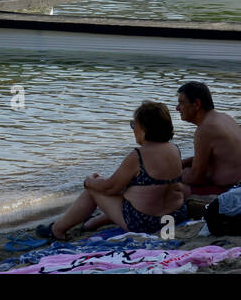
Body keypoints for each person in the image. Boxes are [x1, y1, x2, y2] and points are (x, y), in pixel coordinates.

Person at [40, 101, 187, 240]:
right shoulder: (174, 149)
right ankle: (92, 223)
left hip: (146, 223)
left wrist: (89, 182)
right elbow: (144, 185)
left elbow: (110, 188)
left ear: (144, 129)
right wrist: (103, 182)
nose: (133, 129)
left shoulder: (139, 155)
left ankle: (57, 230)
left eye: (133, 125)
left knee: (93, 190)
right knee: (121, 189)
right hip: (174, 216)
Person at [175, 82, 241, 195]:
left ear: (196, 104)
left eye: (181, 103)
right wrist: (181, 164)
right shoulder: (224, 117)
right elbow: (213, 156)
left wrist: (174, 174)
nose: (177, 108)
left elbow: (197, 179)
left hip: (235, 189)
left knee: (175, 188)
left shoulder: (205, 129)